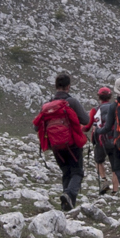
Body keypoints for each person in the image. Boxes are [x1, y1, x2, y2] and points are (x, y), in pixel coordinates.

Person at [32, 72, 88, 210]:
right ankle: (69, 194)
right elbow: (86, 120)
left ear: (56, 86)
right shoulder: (72, 102)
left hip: (55, 146)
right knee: (77, 172)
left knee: (66, 172)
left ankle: (66, 206)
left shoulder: (47, 105)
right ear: (68, 87)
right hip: (72, 144)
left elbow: (36, 126)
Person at [89, 86, 117, 194]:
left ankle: (104, 180)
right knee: (115, 168)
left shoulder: (95, 110)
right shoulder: (115, 108)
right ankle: (114, 191)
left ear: (99, 97)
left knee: (98, 161)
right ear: (110, 97)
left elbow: (87, 126)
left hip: (100, 141)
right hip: (114, 140)